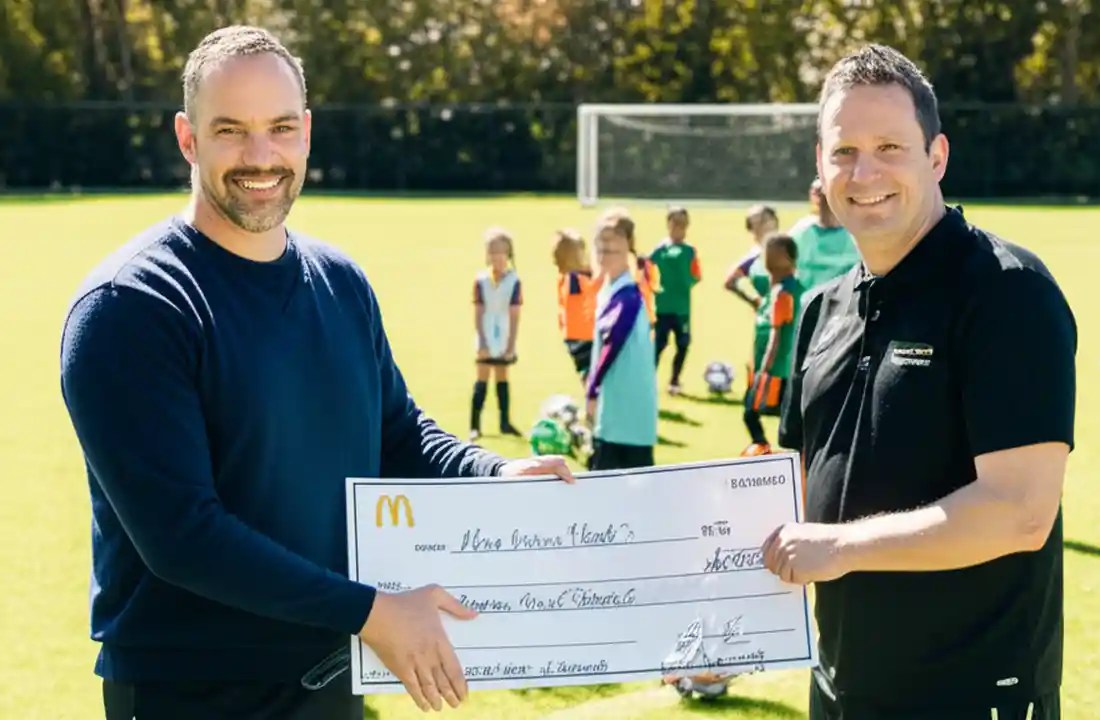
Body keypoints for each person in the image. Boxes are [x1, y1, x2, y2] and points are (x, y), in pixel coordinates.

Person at [58, 26, 574, 720]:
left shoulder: (340, 281)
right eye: (231, 131)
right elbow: (182, 537)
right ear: (188, 139)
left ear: (306, 131)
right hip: (192, 695)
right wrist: (372, 612)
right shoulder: (132, 306)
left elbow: (397, 434)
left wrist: (493, 475)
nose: (261, 156)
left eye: (279, 128)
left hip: (335, 676)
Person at [763, 44, 1075, 720]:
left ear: (936, 156)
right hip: (840, 690)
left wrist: (840, 548)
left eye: (889, 147)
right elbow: (791, 483)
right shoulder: (822, 309)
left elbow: (1020, 511)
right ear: (820, 166)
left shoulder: (1005, 291)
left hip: (968, 696)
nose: (863, 171)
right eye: (843, 151)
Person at [583, 214, 658, 471]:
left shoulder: (627, 296)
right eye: (600, 249)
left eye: (612, 250)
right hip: (617, 410)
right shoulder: (609, 289)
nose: (605, 256)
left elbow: (611, 345)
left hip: (625, 412)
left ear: (628, 248)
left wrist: (591, 390)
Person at [741, 232, 801, 456]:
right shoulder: (785, 289)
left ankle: (768, 454)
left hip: (775, 371)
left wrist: (762, 372)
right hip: (785, 369)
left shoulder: (782, 294)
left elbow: (776, 337)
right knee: (785, 416)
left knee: (751, 412)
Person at [471, 227, 523, 440]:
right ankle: (474, 425)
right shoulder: (481, 280)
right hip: (485, 331)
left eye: (501, 252)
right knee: (482, 375)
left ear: (508, 254)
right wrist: (482, 340)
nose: (497, 257)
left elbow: (514, 314)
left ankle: (505, 422)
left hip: (504, 333)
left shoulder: (514, 281)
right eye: (492, 252)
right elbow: (478, 311)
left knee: (502, 375)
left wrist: (511, 345)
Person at [649, 205, 701, 395]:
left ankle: (674, 380)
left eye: (682, 224)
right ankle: (648, 379)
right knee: (658, 345)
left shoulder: (690, 252)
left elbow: (696, 275)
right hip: (662, 308)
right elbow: (646, 271)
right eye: (675, 223)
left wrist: (682, 284)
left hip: (682, 309)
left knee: (683, 343)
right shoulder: (658, 250)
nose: (678, 228)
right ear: (668, 224)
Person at [791, 176, 860, 305]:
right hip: (808, 306)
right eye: (822, 195)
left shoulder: (856, 232)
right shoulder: (802, 232)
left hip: (846, 308)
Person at [553, 228, 595, 384]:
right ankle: (595, 405)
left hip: (581, 333)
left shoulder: (575, 277)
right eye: (581, 251)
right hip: (582, 335)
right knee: (590, 373)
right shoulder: (572, 279)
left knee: (592, 372)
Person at [723, 203, 779, 311]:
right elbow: (729, 281)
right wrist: (755, 301)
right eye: (756, 224)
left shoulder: (792, 245)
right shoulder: (753, 258)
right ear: (751, 229)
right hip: (770, 316)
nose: (762, 227)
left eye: (764, 220)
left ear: (775, 221)